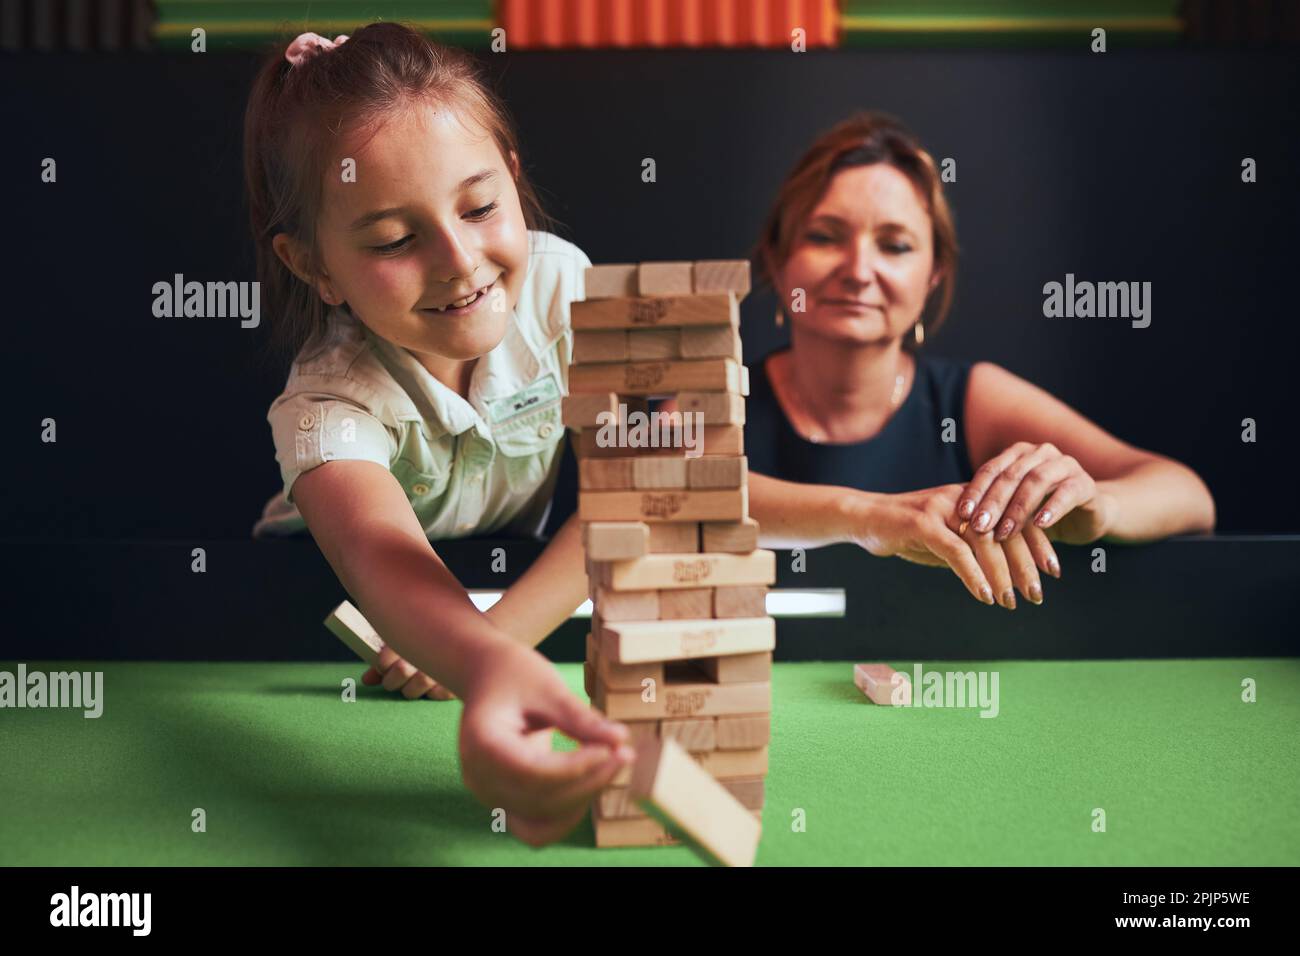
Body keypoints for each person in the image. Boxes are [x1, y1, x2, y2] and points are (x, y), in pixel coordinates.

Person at [245, 23, 630, 847]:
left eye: (481, 206)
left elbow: (634, 493)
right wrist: (488, 665)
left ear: (515, 182)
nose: (459, 261)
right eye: (393, 240)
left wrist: (491, 651)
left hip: (499, 601)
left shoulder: (568, 287)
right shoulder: (325, 402)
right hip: (308, 623)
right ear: (313, 266)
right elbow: (382, 558)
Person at [674, 112, 1216, 609]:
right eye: (824, 237)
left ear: (933, 275)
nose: (859, 269)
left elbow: (1187, 494)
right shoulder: (718, 397)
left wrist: (1101, 507)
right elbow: (663, 492)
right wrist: (869, 518)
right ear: (778, 256)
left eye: (895, 245)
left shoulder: (970, 398)